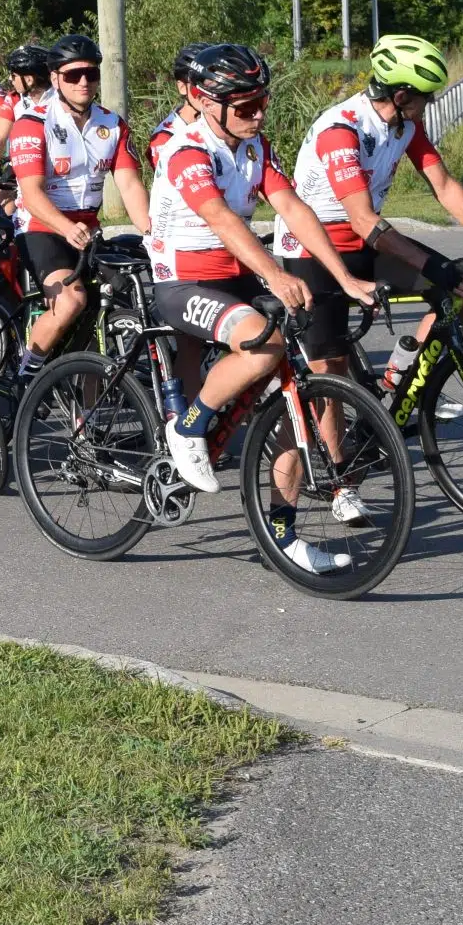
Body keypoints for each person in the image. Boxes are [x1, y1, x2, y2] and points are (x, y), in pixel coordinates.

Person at [144, 44, 379, 573]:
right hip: (182, 282)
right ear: (206, 103)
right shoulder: (186, 150)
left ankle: (282, 535)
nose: (258, 114)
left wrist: (343, 276)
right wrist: (275, 273)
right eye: (246, 106)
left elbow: (293, 207)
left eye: (262, 103)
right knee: (264, 342)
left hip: (234, 278)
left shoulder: (255, 147)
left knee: (290, 396)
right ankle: (188, 428)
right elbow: (224, 219)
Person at [276, 34, 463, 394]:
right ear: (401, 96)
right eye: (427, 96)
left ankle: (401, 386)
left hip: (366, 242)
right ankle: (339, 452)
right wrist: (430, 264)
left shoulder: (405, 125)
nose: (432, 102)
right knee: (332, 372)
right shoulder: (341, 131)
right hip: (314, 249)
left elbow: (445, 187)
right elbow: (361, 218)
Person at [8, 35, 149, 377]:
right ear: (55, 78)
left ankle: (85, 419)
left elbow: (130, 185)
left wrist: (153, 233)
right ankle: (28, 373)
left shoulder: (112, 125)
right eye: (73, 75)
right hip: (42, 227)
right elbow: (31, 194)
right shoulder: (33, 123)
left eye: (91, 74)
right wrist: (67, 228)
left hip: (88, 230)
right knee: (71, 301)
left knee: (106, 308)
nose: (84, 82)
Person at [0, 42, 53, 175]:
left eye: (14, 75)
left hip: (56, 170)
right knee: (0, 195)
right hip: (23, 164)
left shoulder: (61, 100)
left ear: (29, 80)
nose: (10, 79)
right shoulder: (15, 98)